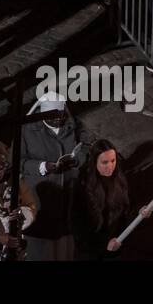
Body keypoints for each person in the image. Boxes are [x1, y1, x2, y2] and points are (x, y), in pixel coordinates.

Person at [20, 92, 90, 261]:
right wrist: (42, 166)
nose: (59, 119)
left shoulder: (74, 125)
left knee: (63, 244)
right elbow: (16, 161)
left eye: (61, 115)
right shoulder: (28, 130)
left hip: (67, 194)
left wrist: (77, 160)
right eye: (53, 116)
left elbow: (86, 147)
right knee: (40, 245)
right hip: (40, 198)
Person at [71, 140, 148, 260]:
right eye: (104, 162)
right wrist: (102, 244)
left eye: (113, 161)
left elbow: (128, 209)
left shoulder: (121, 180)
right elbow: (77, 227)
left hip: (117, 248)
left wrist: (140, 212)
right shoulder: (82, 186)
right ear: (94, 162)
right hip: (91, 253)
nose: (110, 166)